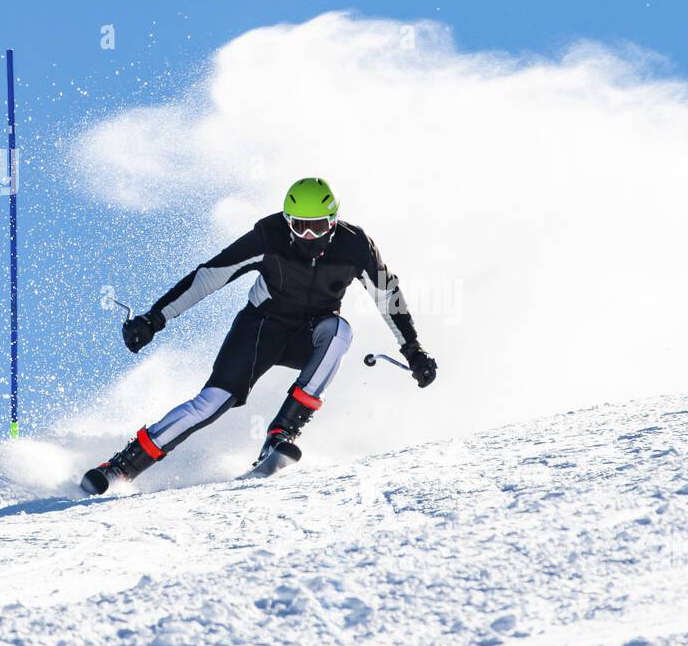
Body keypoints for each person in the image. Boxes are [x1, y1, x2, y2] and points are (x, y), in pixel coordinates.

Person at [81, 177, 438, 494]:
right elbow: (210, 275)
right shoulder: (270, 236)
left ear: (334, 222)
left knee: (340, 331)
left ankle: (281, 433)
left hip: (312, 334)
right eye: (300, 226)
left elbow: (387, 295)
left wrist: (414, 349)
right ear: (287, 221)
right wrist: (154, 318)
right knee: (210, 403)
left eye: (318, 227)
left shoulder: (355, 245)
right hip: (260, 329)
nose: (308, 236)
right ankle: (121, 466)